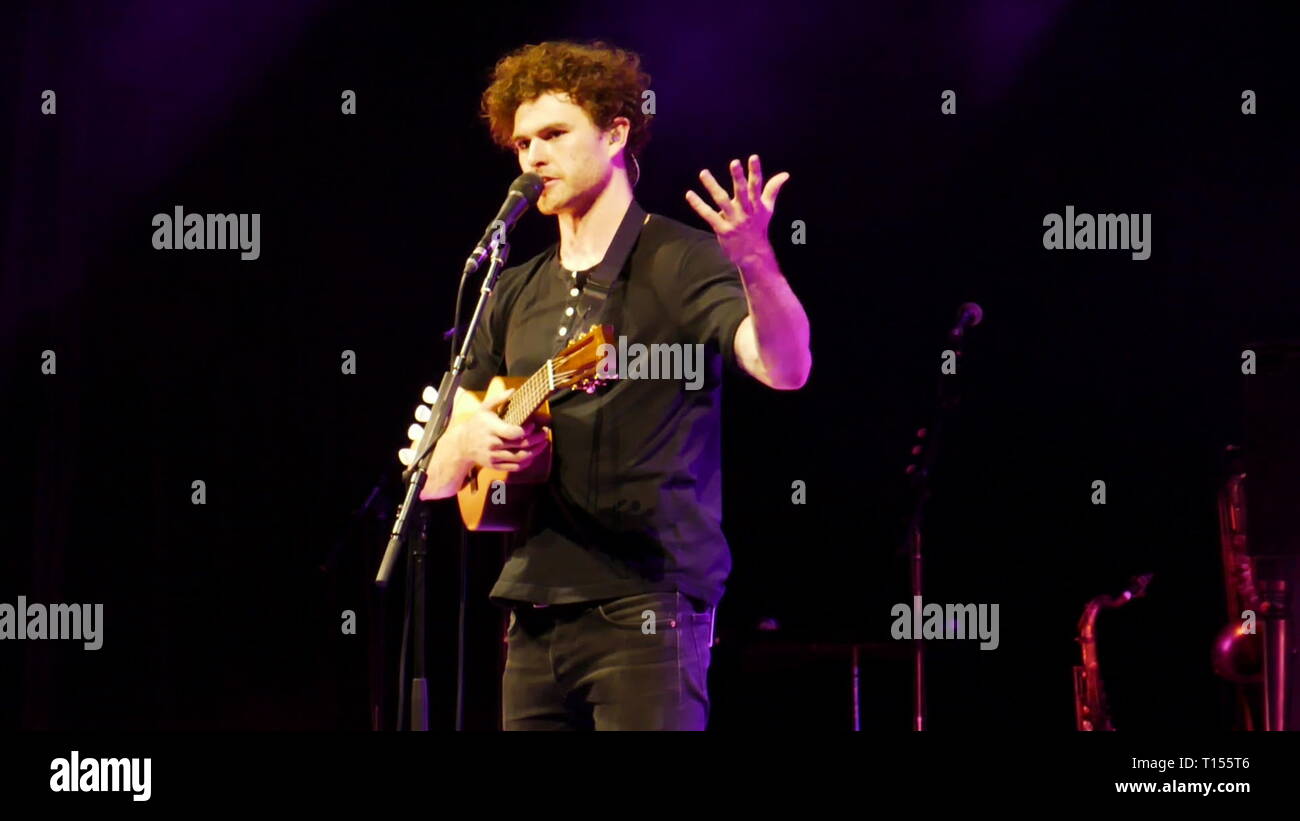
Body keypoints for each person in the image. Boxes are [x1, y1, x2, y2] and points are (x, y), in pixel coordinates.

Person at [419, 40, 811, 730]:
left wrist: (757, 264)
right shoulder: (511, 289)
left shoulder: (678, 258)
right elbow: (433, 481)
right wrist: (470, 439)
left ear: (615, 133)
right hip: (531, 620)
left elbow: (785, 368)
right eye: (522, 143)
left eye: (554, 135)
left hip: (648, 609)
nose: (533, 157)